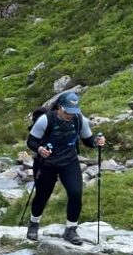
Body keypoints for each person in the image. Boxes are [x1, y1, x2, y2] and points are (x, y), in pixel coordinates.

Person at [25, 90, 105, 244]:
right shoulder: (45, 120)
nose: (70, 115)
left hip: (69, 161)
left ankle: (71, 230)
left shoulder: (80, 119)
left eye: (73, 112)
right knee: (42, 195)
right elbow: (31, 141)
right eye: (67, 112)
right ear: (59, 108)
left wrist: (97, 142)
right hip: (46, 163)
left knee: (75, 193)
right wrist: (40, 150)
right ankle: (34, 224)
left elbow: (88, 140)